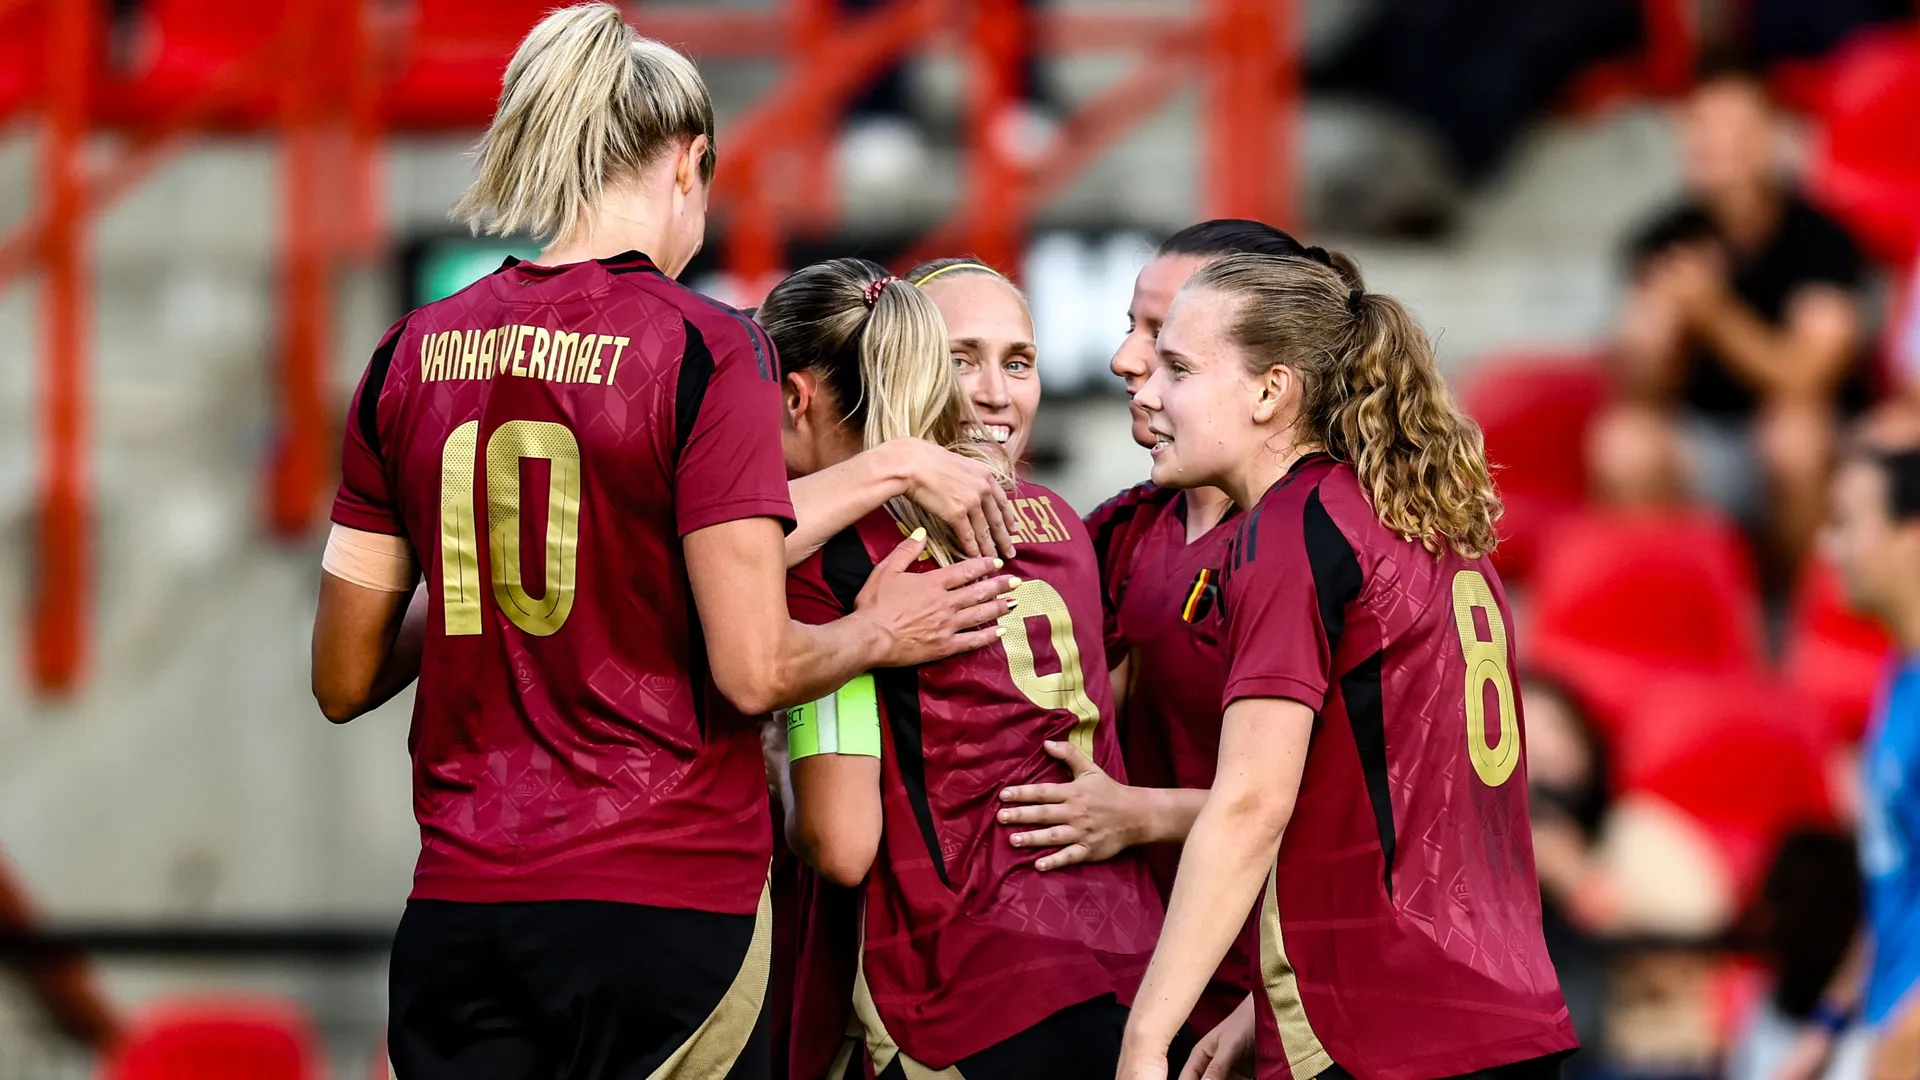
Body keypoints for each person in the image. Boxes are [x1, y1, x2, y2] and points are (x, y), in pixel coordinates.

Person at [307, 8, 1014, 1078]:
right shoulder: (704, 346)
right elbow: (757, 667)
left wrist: (488, 569)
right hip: (662, 899)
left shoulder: (409, 353)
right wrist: (876, 633)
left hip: (460, 908)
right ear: (689, 165)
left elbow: (343, 674)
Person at [1115, 252, 1577, 1080]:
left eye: (1178, 368)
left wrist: (1149, 1034)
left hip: (1380, 1031)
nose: (1147, 392)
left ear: (1271, 392)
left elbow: (1252, 802)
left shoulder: (1292, 529)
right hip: (1510, 1016)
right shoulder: (1424, 518)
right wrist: (1264, 1009)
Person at [766, 258, 1174, 1080]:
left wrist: (768, 761)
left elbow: (840, 842)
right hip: (1129, 970)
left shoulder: (849, 555)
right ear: (901, 366)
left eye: (1018, 362)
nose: (995, 393)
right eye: (962, 359)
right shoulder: (1062, 525)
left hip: (964, 994)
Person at [985, 220, 1347, 1036]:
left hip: (1297, 988)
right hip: (1155, 967)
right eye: (1132, 327)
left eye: (1164, 341)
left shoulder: (1326, 535)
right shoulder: (1120, 531)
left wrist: (1142, 814)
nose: (1125, 360)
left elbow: (1342, 796)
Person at [1589, 58, 1866, 581]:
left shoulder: (1824, 239)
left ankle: (1805, 616)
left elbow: (1808, 377)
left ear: (1771, 137)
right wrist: (1654, 340)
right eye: (1700, 126)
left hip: (1808, 448)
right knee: (1625, 444)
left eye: (1731, 127)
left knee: (1794, 437)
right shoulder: (1658, 239)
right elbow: (1637, 395)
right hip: (1702, 442)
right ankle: (1668, 607)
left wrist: (1716, 315)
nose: (1713, 143)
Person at [1773, 442, 1920, 1080]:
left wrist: (1894, 1056)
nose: (1827, 551)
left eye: (1846, 524)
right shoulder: (1899, 675)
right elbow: (1896, 879)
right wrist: (1828, 1027)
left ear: (1912, 535)